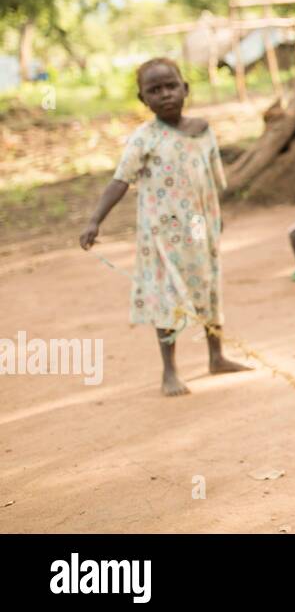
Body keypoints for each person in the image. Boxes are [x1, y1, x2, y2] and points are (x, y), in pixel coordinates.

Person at [78, 58, 249, 396]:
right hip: (161, 236)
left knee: (208, 286)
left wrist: (217, 215)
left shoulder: (203, 131)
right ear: (143, 99)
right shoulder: (144, 138)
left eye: (171, 86)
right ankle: (169, 371)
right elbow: (120, 181)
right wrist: (95, 219)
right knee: (166, 297)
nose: (165, 95)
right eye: (154, 90)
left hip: (201, 228)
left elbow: (212, 178)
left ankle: (216, 356)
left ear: (185, 89)